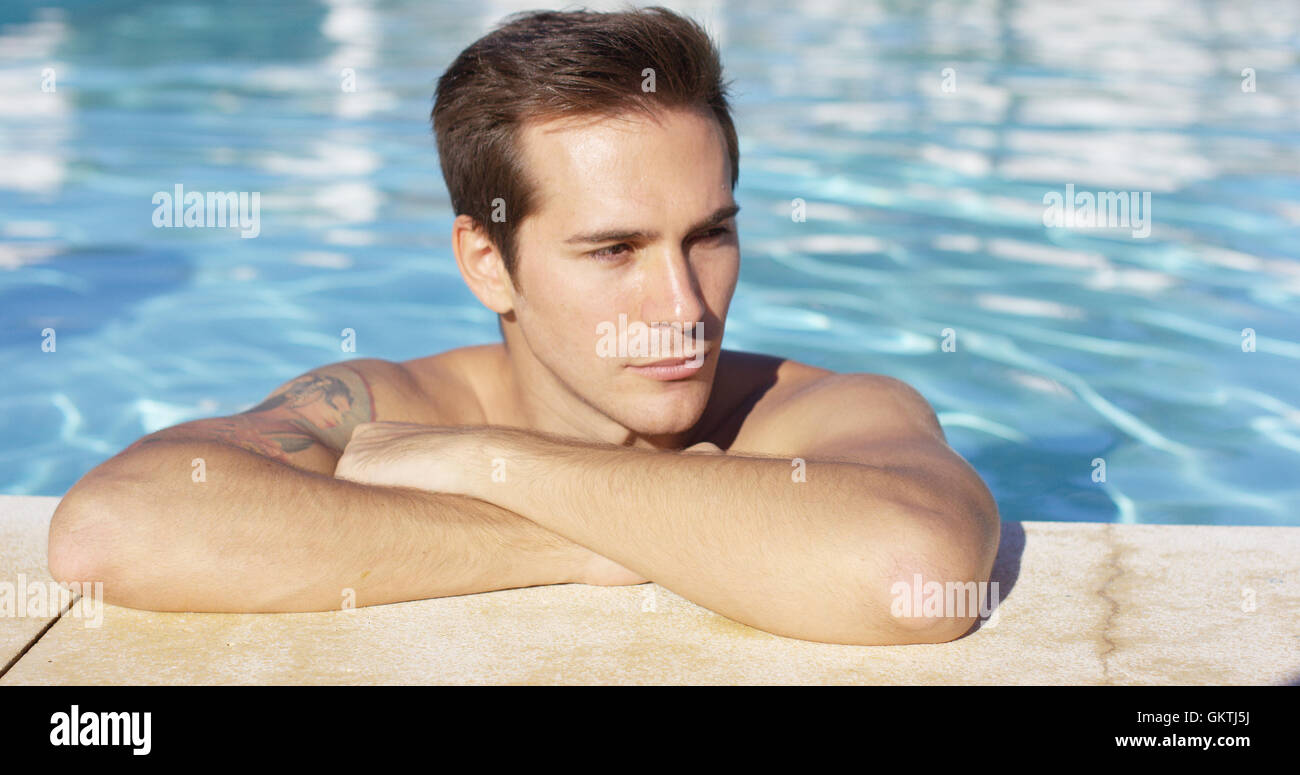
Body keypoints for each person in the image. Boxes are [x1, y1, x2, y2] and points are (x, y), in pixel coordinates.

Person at [49, 7, 999, 646]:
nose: (684, 308)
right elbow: (115, 528)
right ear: (487, 263)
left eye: (709, 236)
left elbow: (913, 571)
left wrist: (484, 467)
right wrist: (594, 541)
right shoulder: (388, 402)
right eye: (614, 250)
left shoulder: (816, 414)